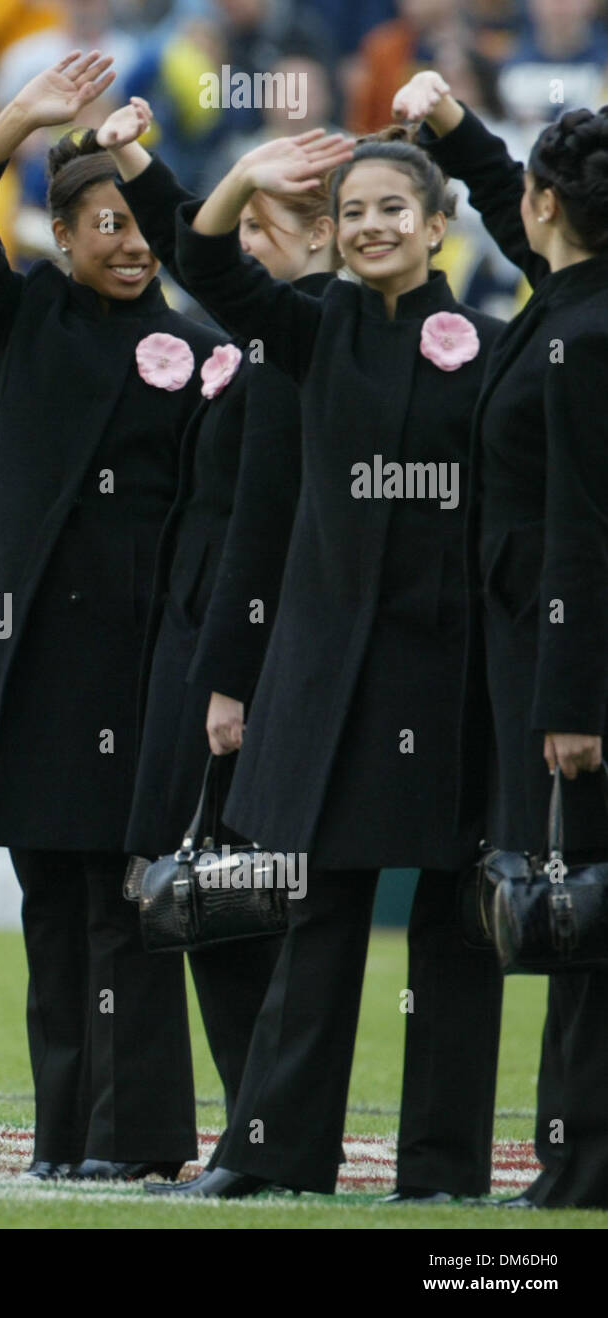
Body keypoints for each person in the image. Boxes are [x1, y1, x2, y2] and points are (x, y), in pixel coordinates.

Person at [163, 123, 507, 1200]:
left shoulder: (492, 346)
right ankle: (270, 1155)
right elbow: (207, 263)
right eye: (351, 212)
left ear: (438, 226)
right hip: (327, 674)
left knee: (454, 925)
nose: (368, 227)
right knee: (316, 918)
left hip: (454, 682)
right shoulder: (304, 330)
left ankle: (443, 1170)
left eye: (390, 210)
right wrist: (241, 180)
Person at [0, 52, 229, 1182]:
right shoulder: (26, 310)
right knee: (54, 904)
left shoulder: (201, 350)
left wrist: (141, 164)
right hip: (36, 663)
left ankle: (134, 1142)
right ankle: (63, 1141)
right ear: (61, 232)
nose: (131, 243)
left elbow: (199, 244)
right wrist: (18, 117)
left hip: (143, 663)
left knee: (127, 904)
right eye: (104, 223)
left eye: (140, 222)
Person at [97, 96, 338, 1138]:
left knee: (233, 903)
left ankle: (263, 1127)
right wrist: (136, 157)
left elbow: (260, 524)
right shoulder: (267, 337)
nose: (241, 251)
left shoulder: (301, 341)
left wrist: (228, 678)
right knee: (204, 899)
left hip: (238, 655)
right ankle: (252, 1122)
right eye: (239, 231)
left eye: (263, 229)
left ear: (320, 237)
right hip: (202, 640)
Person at [401, 69, 608, 1211]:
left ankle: (582, 1164)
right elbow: (505, 202)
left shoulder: (587, 330)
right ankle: (574, 1158)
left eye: (524, 191)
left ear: (548, 205)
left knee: (585, 920)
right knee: (579, 920)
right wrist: (453, 128)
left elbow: (584, 529)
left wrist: (571, 703)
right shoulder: (571, 297)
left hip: (569, 665)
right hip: (542, 653)